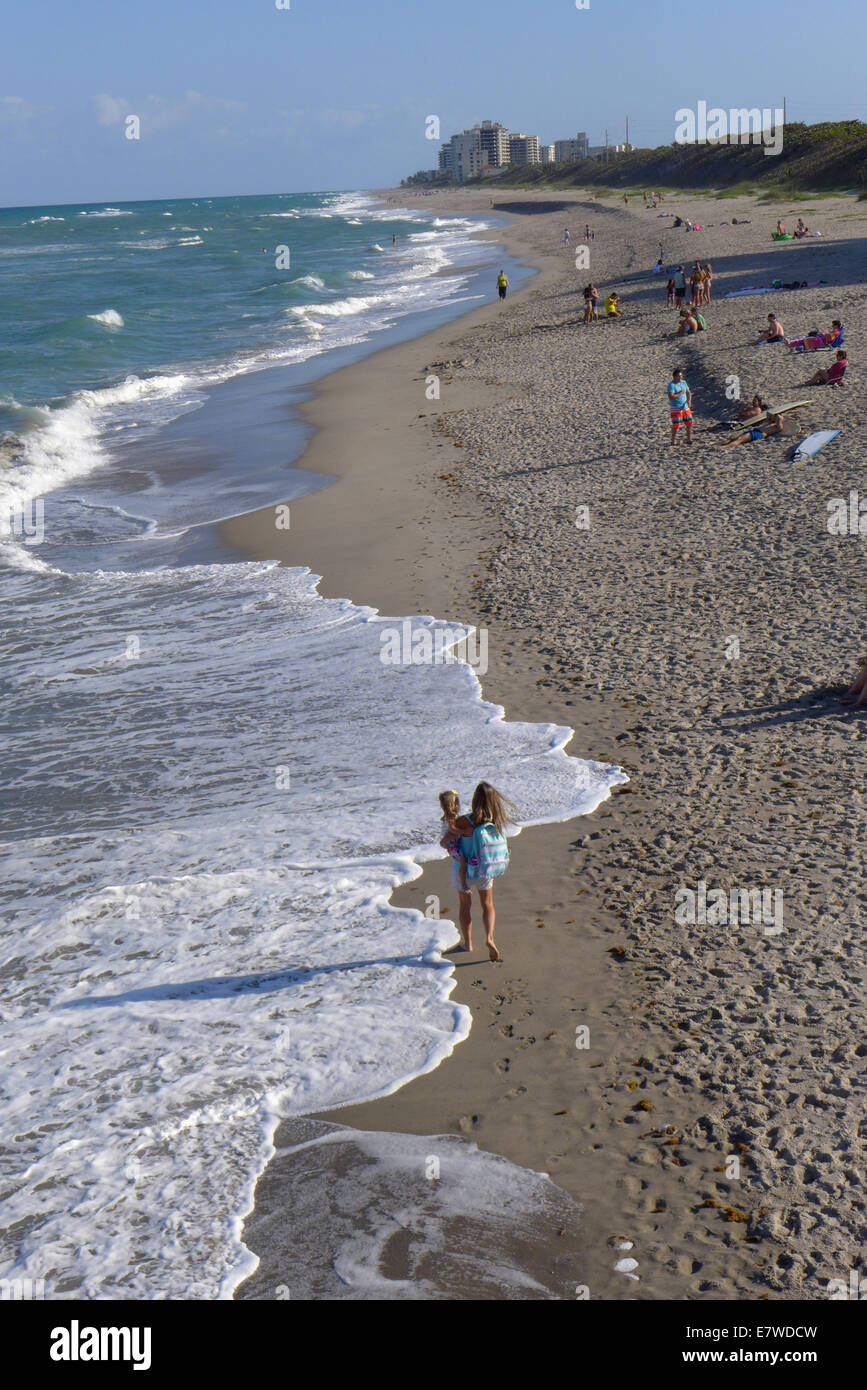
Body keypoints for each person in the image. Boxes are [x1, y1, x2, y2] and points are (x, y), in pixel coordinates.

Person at [442, 781, 518, 961]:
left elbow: (445, 841)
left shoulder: (464, 821)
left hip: (465, 871)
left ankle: (467, 943)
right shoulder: (494, 820)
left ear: (475, 799)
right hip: (485, 868)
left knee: (465, 906)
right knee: (488, 905)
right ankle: (490, 938)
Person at [439, 791, 468, 893]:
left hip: (454, 844)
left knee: (464, 860)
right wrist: (464, 831)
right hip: (453, 845)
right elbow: (452, 830)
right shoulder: (451, 817)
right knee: (462, 862)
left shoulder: (450, 816)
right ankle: (463, 883)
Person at [718, 413, 785, 448]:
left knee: (740, 439)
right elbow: (768, 414)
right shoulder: (769, 422)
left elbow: (779, 427)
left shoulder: (777, 426)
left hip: (758, 434)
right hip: (754, 431)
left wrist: (779, 418)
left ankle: (724, 447)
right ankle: (717, 444)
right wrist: (773, 415)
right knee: (732, 438)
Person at [668, 368, 693, 444]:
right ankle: (673, 440)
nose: (681, 377)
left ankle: (689, 439)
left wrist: (689, 400)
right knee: (676, 425)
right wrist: (680, 393)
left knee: (689, 423)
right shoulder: (671, 385)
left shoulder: (683, 383)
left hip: (685, 407)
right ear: (674, 377)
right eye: (679, 376)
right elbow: (671, 396)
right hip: (676, 408)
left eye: (681, 376)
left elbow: (688, 392)